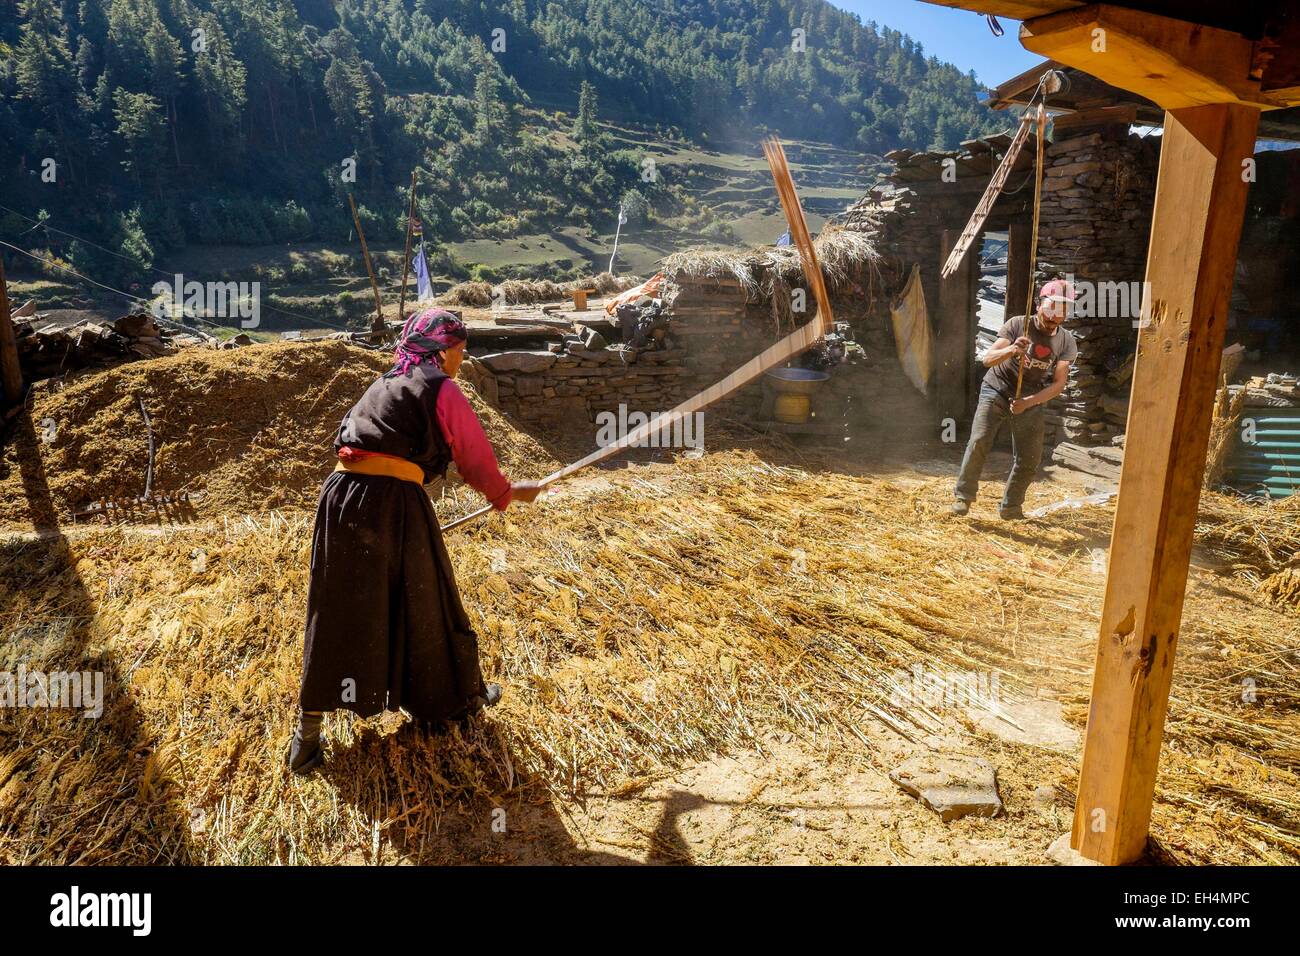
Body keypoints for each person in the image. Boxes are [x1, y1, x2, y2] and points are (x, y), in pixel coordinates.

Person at [288, 309, 542, 774]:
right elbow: (474, 456)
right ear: (442, 350)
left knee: (338, 607)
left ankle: (306, 738)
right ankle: (451, 700)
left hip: (340, 498)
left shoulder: (383, 383)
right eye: (459, 353)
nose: (460, 362)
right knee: (428, 598)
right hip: (394, 503)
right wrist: (506, 494)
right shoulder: (440, 388)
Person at [952, 279, 1077, 519]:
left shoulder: (1066, 341)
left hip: (1030, 396)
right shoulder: (1018, 324)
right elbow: (988, 359)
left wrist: (1028, 402)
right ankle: (963, 497)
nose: (1053, 317)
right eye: (1049, 309)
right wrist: (1012, 350)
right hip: (997, 389)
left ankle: (1011, 507)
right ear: (1038, 305)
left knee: (1030, 457)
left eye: (1060, 313)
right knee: (979, 441)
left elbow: (1059, 384)